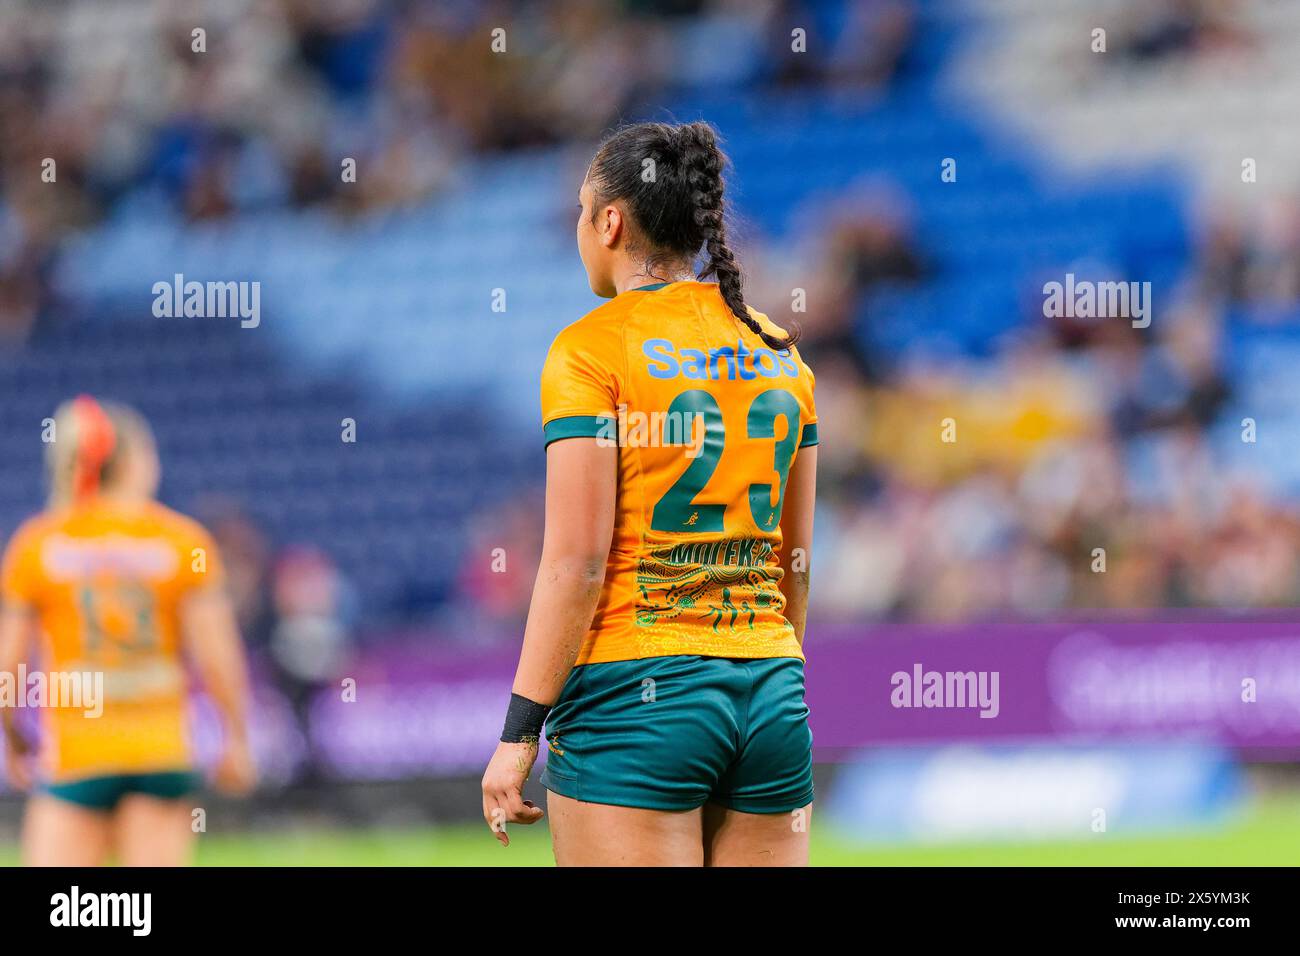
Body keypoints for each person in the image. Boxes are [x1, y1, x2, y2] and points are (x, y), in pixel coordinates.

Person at [481, 121, 818, 866]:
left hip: (638, 696)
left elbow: (576, 564)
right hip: (768, 693)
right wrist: (771, 673)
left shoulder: (591, 350)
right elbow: (794, 561)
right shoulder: (780, 352)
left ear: (610, 221)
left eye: (580, 210)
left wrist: (518, 733)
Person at [0, 396, 255, 866]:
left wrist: (15, 740)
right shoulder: (181, 542)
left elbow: (8, 669)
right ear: (134, 461)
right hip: (160, 754)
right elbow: (218, 656)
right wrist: (236, 738)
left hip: (79, 756)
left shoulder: (38, 545)